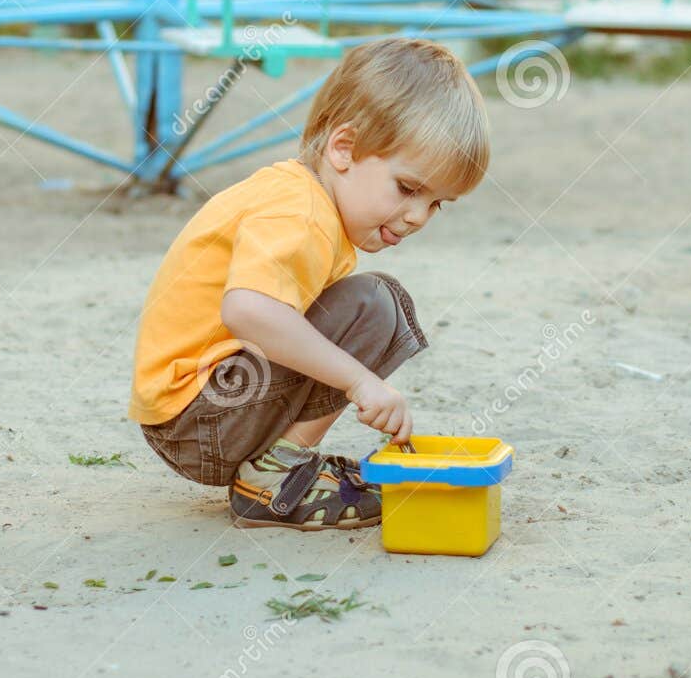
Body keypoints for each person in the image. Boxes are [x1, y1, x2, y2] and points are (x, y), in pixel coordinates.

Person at [129, 37, 489, 529]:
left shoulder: (304, 199)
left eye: (437, 203)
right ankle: (273, 478)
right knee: (374, 306)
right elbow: (248, 310)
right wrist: (360, 380)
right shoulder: (300, 214)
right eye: (408, 189)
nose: (418, 217)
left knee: (369, 304)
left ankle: (278, 466)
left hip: (202, 412)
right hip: (197, 419)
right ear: (344, 148)